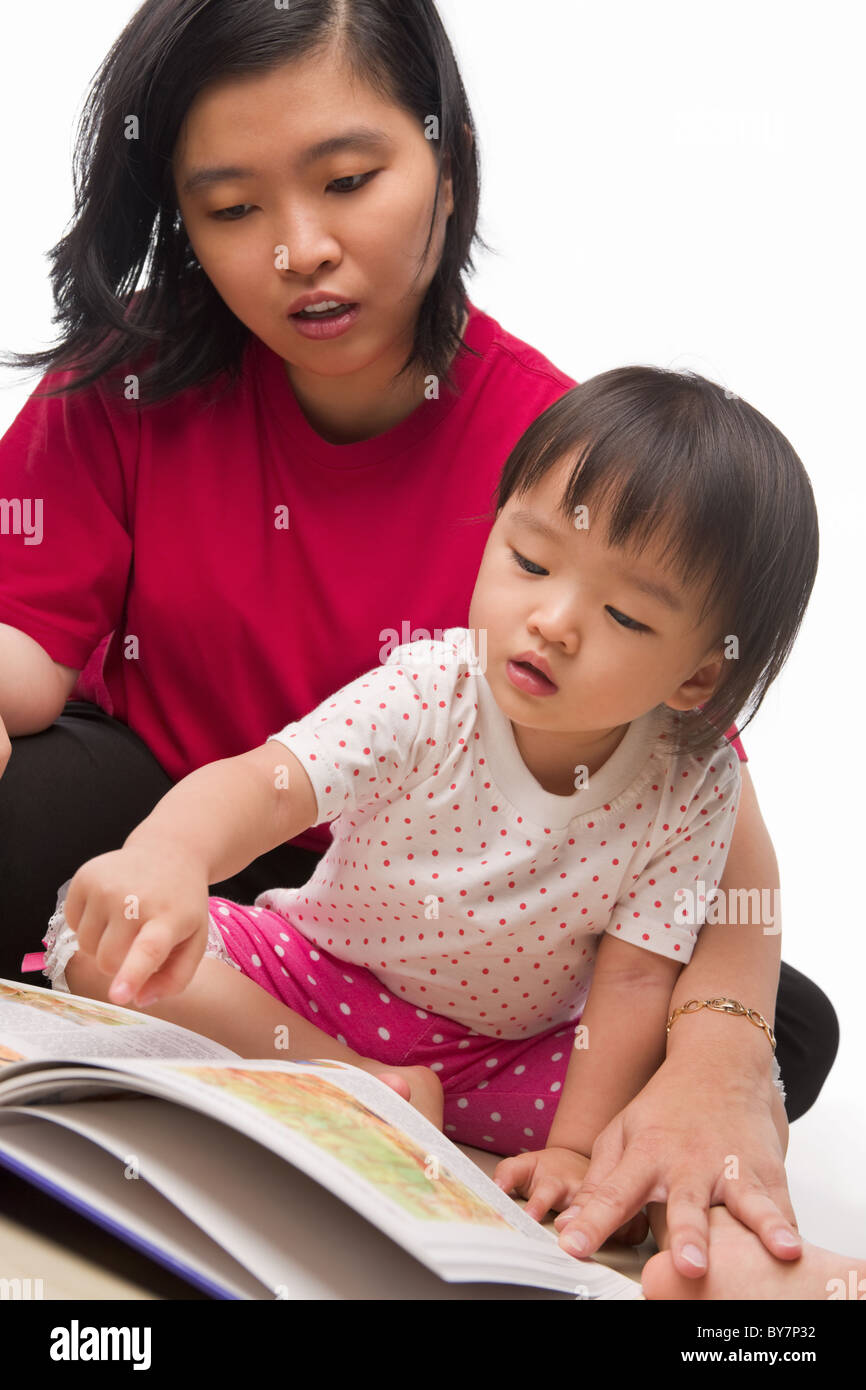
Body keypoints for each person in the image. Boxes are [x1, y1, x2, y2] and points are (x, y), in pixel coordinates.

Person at [0, 0, 837, 1286]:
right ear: (177, 219)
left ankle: (530, 1150)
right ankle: (330, 1077)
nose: (301, 250)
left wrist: (720, 1048)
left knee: (780, 1021)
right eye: (230, 210)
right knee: (57, 839)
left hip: (449, 907)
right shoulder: (122, 382)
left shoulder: (566, 464)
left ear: (446, 168)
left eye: (348, 179)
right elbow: (25, 653)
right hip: (199, 823)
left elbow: (700, 792)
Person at [34, 364, 833, 1301]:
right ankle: (350, 1081)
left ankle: (741, 1269)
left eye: (622, 615)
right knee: (97, 940)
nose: (552, 621)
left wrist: (576, 1150)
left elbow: (636, 975)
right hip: (312, 979)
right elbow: (266, 786)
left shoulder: (692, 781)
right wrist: (168, 856)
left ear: (698, 678)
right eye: (529, 563)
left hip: (505, 1054)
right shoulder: (429, 689)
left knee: (701, 1110)